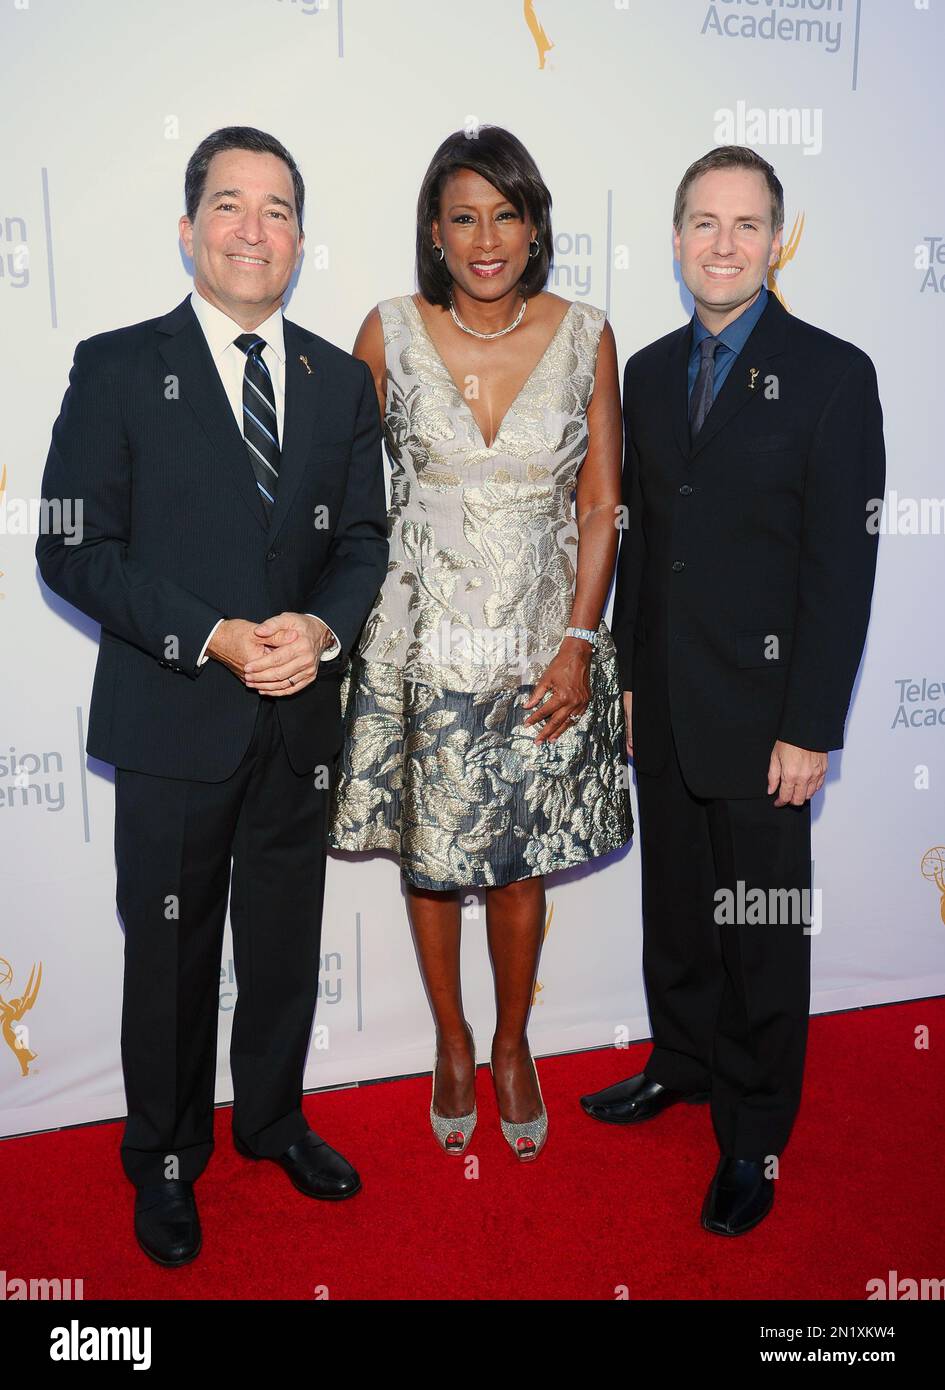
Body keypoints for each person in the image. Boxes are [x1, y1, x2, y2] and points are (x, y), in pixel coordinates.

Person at [36, 126, 388, 1265]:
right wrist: (214, 637)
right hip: (172, 720)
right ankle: (165, 1157)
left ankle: (273, 1122)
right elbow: (71, 547)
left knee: (284, 945)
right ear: (188, 230)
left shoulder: (339, 381)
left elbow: (365, 542)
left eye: (277, 210)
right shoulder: (115, 366)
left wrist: (320, 631)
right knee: (172, 960)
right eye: (230, 205)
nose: (253, 229)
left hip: (298, 723)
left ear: (299, 239)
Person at [583, 145, 884, 1234]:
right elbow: (640, 537)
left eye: (746, 224)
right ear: (675, 240)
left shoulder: (834, 374)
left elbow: (840, 570)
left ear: (774, 241)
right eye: (704, 223)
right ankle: (683, 1061)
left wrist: (810, 725)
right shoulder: (649, 370)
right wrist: (626, 677)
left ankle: (755, 1130)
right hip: (664, 703)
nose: (723, 244)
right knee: (677, 906)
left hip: (765, 721)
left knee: (759, 928)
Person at [329, 126, 632, 1162]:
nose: (487, 238)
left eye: (506, 215)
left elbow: (601, 504)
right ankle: (451, 1042)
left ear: (535, 227)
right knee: (431, 863)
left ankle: (511, 1043)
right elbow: (340, 502)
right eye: (464, 217)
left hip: (543, 652)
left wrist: (579, 642)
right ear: (435, 232)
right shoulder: (386, 333)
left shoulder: (586, 334)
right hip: (418, 649)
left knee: (517, 864)